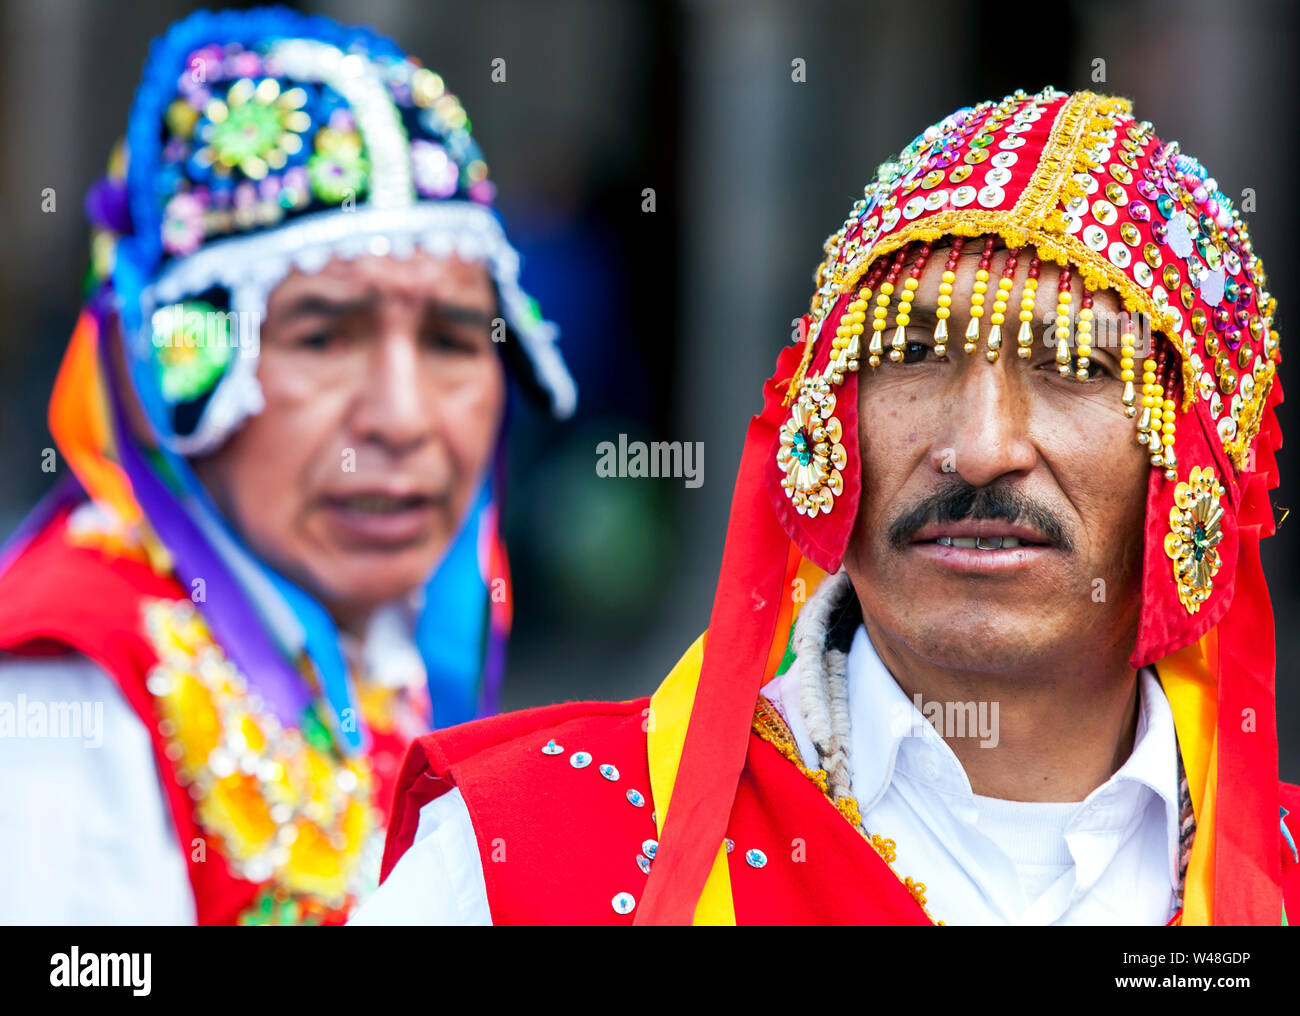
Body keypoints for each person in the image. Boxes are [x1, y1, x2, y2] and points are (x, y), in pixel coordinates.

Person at [360, 87, 1297, 926]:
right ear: (828, 428)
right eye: (913, 353)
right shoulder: (518, 862)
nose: (978, 449)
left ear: (1196, 467)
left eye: (1078, 367)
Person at [0, 7, 573, 925]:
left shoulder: (396, 651)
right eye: (321, 335)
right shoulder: (66, 686)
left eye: (454, 339)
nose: (402, 417)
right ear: (177, 364)